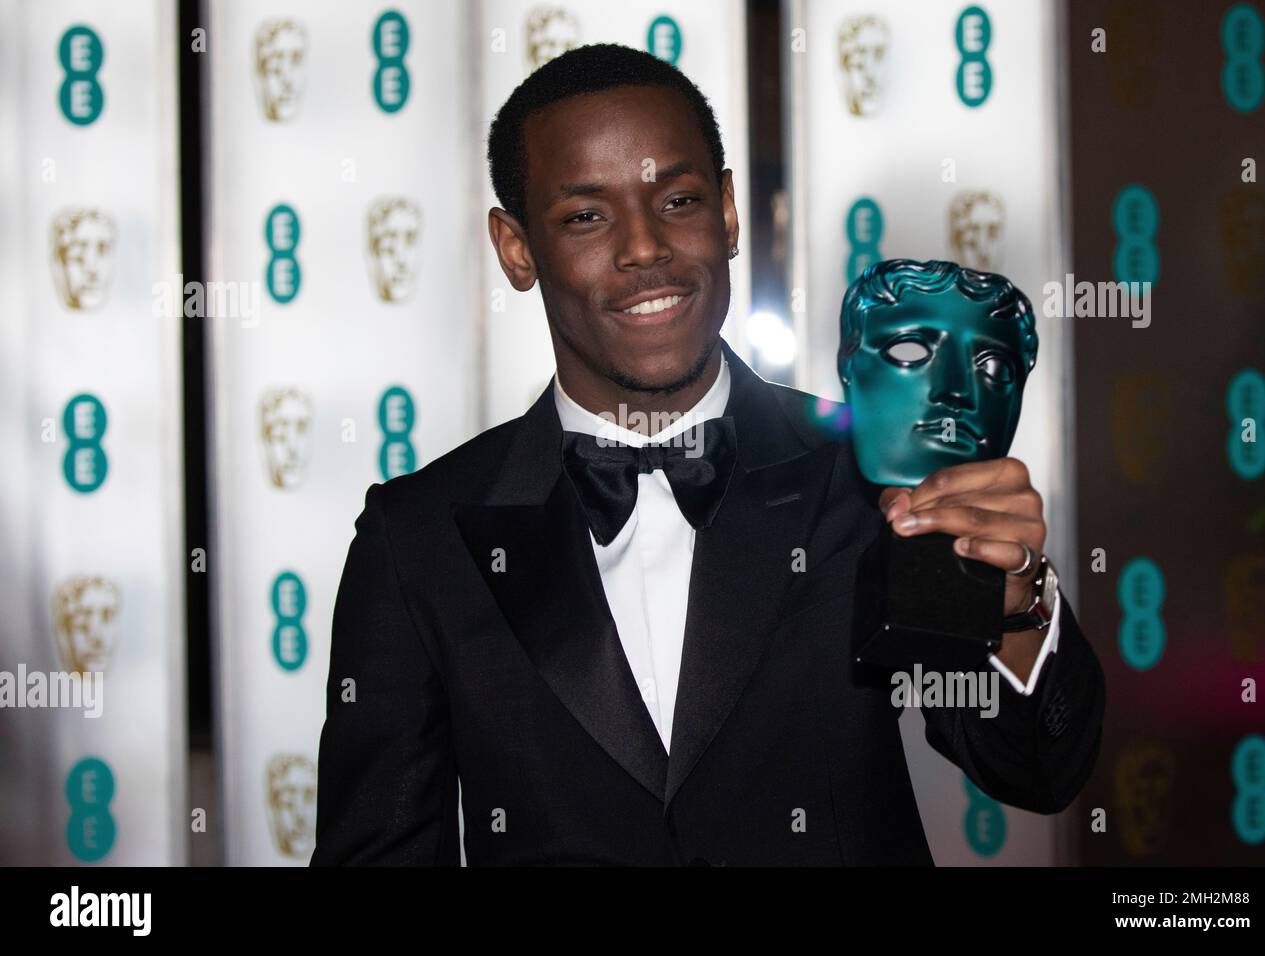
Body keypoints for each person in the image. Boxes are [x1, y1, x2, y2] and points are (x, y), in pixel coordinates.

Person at [311, 43, 1104, 866]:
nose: (645, 247)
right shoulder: (417, 540)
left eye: (678, 199)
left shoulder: (873, 476)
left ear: (726, 213)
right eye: (587, 215)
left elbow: (1036, 770)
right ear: (516, 248)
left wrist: (1014, 602)